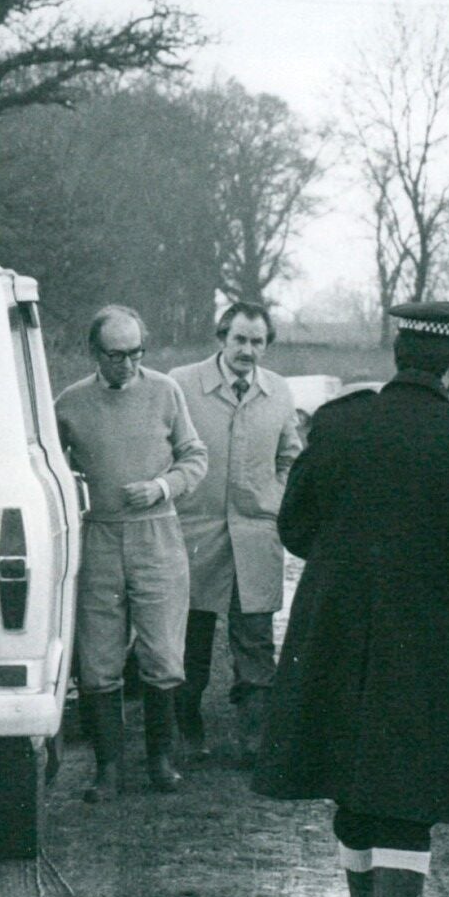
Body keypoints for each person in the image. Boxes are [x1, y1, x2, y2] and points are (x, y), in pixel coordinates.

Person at [254, 301, 449, 897]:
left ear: (398, 355)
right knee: (408, 791)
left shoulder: (341, 425)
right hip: (421, 636)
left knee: (351, 782)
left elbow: (294, 526)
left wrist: (347, 564)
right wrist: (436, 572)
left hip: (333, 627)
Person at [55, 306, 209, 801]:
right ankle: (108, 768)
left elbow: (195, 456)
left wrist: (162, 487)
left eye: (136, 352)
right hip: (98, 536)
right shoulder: (70, 403)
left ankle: (161, 761)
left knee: (163, 651)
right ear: (94, 352)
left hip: (156, 533)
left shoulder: (166, 392)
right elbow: (53, 473)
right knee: (98, 657)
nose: (126, 364)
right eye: (116, 355)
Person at [170, 302, 303, 766]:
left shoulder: (279, 392)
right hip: (196, 533)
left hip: (255, 535)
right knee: (190, 641)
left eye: (258, 341)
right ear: (222, 338)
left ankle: (255, 740)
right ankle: (186, 733)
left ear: (267, 345)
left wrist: (275, 498)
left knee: (255, 643)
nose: (248, 350)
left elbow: (291, 456)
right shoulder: (183, 385)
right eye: (240, 339)